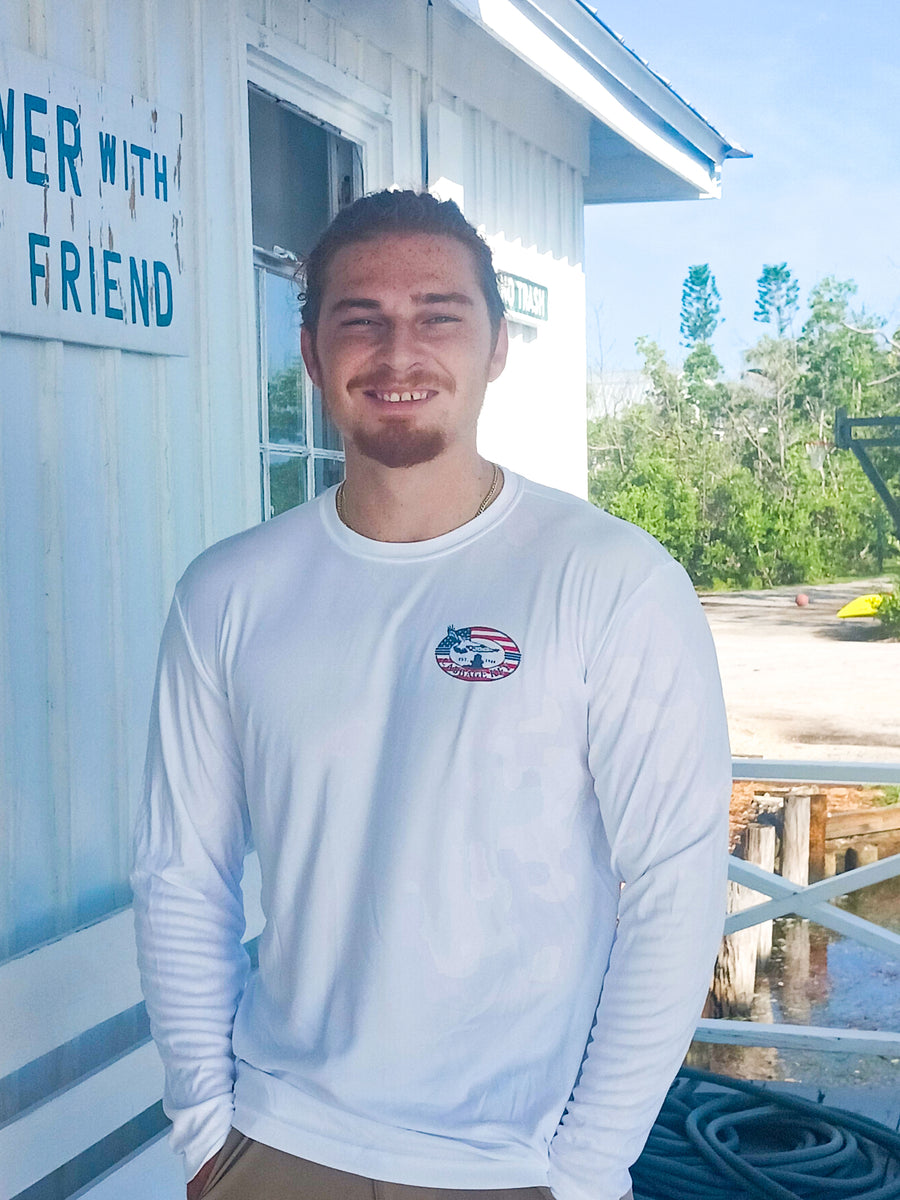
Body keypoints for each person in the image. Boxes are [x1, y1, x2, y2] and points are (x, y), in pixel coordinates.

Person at [131, 189, 731, 1200]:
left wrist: (588, 1166)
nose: (398, 351)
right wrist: (205, 1130)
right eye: (359, 318)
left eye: (438, 316)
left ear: (497, 346)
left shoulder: (609, 580)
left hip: (514, 1166)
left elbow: (675, 881)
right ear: (312, 354)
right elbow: (180, 874)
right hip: (276, 1146)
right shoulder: (228, 594)